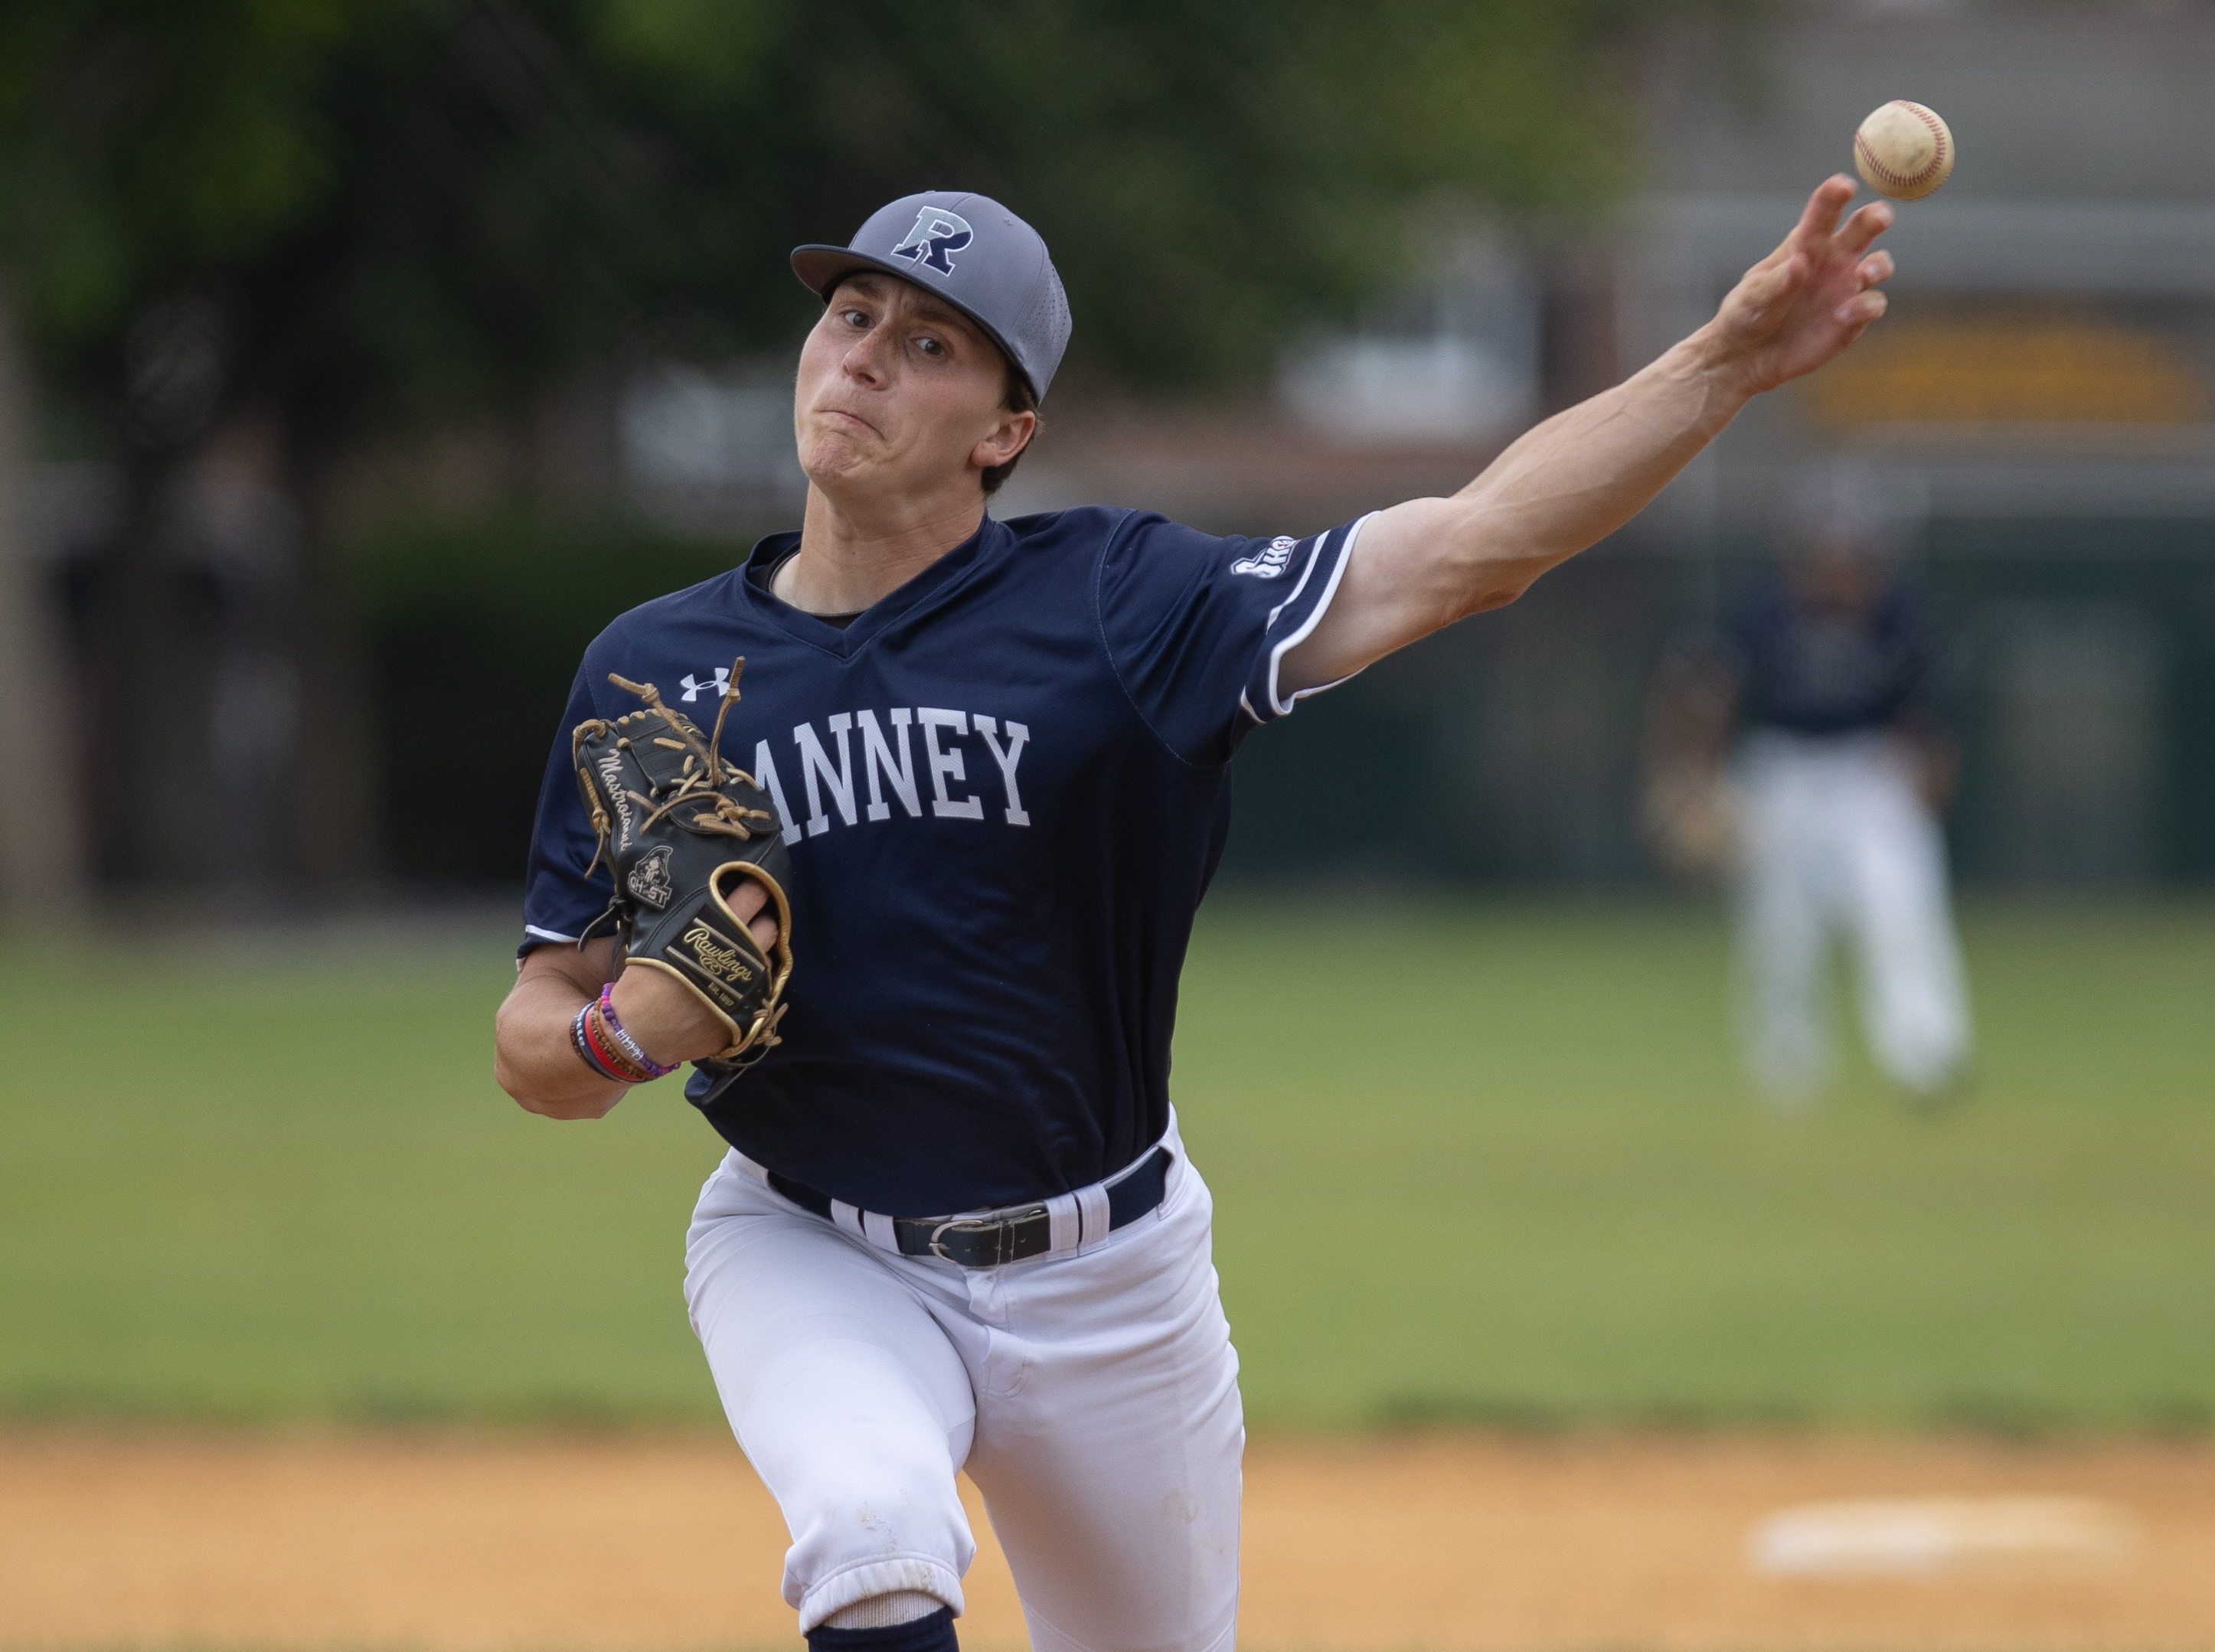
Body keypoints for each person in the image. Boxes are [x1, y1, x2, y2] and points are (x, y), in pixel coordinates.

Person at [492, 180, 1899, 1652]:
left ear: (1004, 431)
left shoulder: (1116, 601)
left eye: (929, 345)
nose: (862, 358)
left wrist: (1723, 362)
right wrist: (616, 1035)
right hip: (810, 1243)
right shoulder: (655, 676)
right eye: (852, 317)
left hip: (1108, 1276)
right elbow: (538, 1035)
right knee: (870, 1531)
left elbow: (1470, 547)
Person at [1642, 465, 1972, 1104]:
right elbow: (1703, 688)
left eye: (1851, 552)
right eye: (1824, 550)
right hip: (1781, 769)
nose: (1837, 567)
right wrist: (1691, 777)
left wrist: (1930, 773)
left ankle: (1925, 1054)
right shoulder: (1760, 607)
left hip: (1870, 769)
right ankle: (1785, 1070)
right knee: (1779, 928)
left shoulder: (1902, 611)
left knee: (1900, 908)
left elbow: (1932, 712)